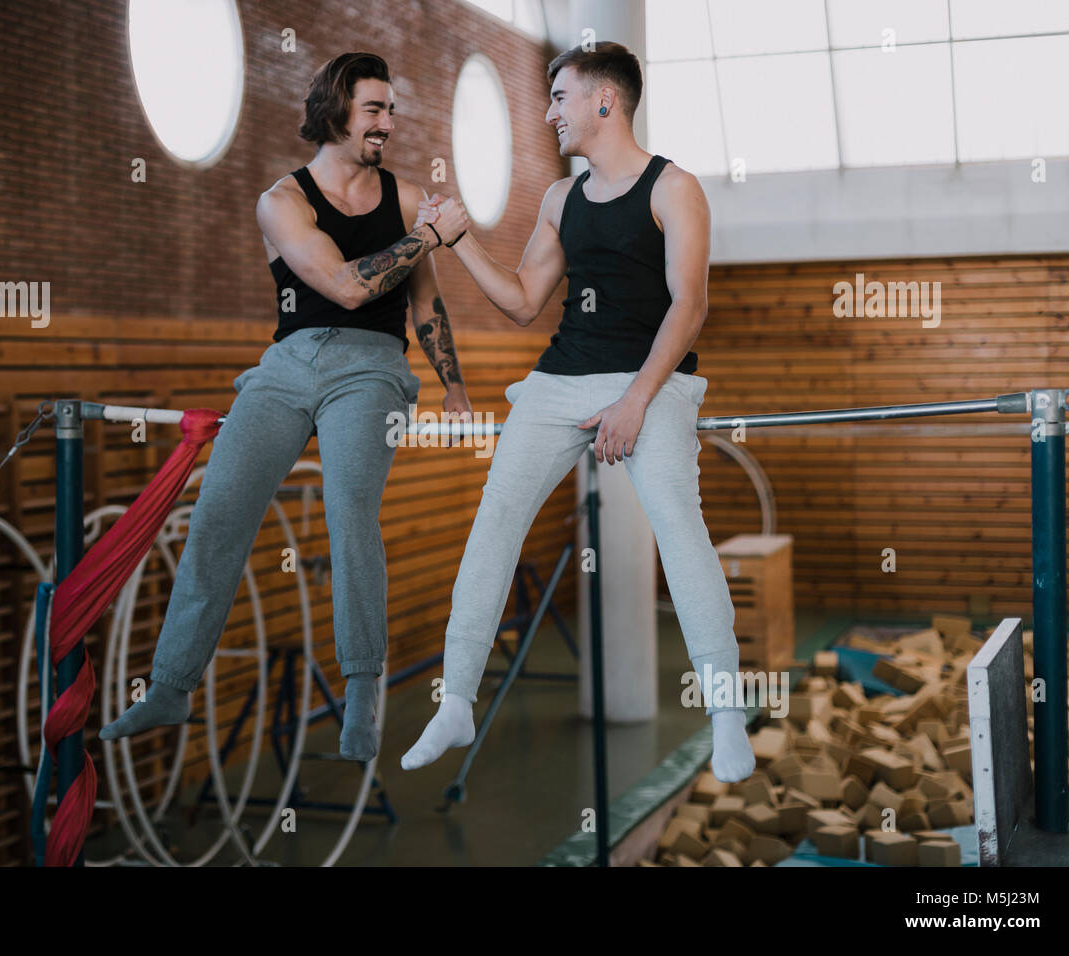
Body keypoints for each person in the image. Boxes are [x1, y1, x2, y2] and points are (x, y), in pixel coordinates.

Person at [100, 51, 471, 761]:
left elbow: (423, 303)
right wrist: (428, 234)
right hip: (288, 364)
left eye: (391, 110)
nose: (388, 123)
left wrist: (453, 385)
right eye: (374, 109)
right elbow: (345, 285)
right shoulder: (282, 201)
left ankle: (363, 686)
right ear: (335, 111)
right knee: (219, 506)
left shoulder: (403, 197)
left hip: (370, 368)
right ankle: (173, 685)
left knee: (347, 507)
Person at [402, 41, 756, 782]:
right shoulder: (561, 198)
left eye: (558, 96)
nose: (547, 111)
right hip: (562, 378)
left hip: (650, 379)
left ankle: (726, 711)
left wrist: (634, 400)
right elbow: (524, 301)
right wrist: (458, 239)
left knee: (676, 522)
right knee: (495, 516)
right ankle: (457, 700)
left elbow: (690, 307)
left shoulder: (674, 188)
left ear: (604, 100)